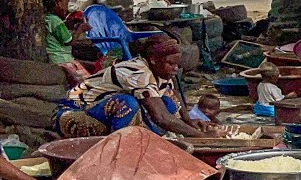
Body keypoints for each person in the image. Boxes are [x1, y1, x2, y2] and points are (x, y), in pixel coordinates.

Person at [54, 36, 211, 138]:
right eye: (171, 63)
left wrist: (190, 122)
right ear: (154, 60)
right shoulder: (137, 72)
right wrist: (201, 137)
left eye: (177, 64)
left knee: (167, 103)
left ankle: (150, 142)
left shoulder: (160, 72)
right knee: (127, 103)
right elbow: (161, 117)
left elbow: (172, 95)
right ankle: (120, 151)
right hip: (72, 114)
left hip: (98, 114)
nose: (176, 69)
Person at [42, 0, 74, 65]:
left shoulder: (48, 18)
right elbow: (69, 42)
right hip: (62, 59)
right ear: (58, 4)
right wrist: (80, 29)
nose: (67, 8)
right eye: (66, 4)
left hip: (54, 58)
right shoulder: (56, 21)